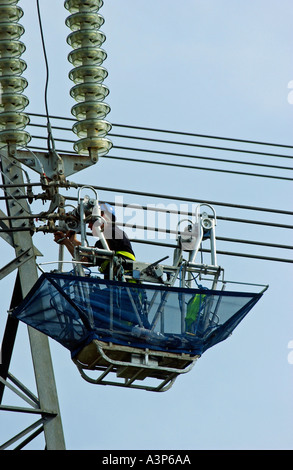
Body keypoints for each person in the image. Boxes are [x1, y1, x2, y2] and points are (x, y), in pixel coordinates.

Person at [54, 202, 135, 276]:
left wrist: (67, 242)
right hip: (121, 286)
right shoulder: (113, 237)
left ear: (102, 217)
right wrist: (71, 241)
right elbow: (85, 258)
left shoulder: (113, 234)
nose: (89, 226)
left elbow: (85, 259)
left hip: (122, 286)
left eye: (91, 221)